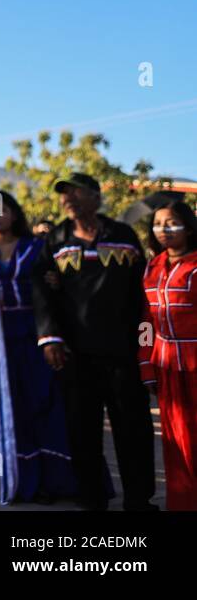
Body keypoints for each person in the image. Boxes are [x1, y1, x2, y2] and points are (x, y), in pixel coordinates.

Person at [34, 173, 155, 511]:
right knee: (82, 431)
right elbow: (41, 291)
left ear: (97, 197)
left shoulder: (123, 235)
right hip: (75, 353)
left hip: (122, 352)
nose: (67, 199)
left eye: (76, 193)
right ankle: (92, 498)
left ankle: (138, 500)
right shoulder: (56, 239)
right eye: (64, 195)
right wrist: (50, 338)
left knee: (133, 429)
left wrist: (146, 345)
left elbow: (140, 292)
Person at [0, 190, 75, 505]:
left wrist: (57, 285)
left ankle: (51, 480)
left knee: (43, 401)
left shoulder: (37, 247)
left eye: (2, 208)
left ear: (15, 213)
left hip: (34, 333)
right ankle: (16, 478)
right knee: (8, 407)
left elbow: (55, 287)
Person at [139, 200, 197, 510]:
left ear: (188, 227)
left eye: (171, 222)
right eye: (158, 223)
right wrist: (146, 365)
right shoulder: (152, 267)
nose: (164, 229)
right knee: (175, 442)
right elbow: (146, 320)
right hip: (166, 367)